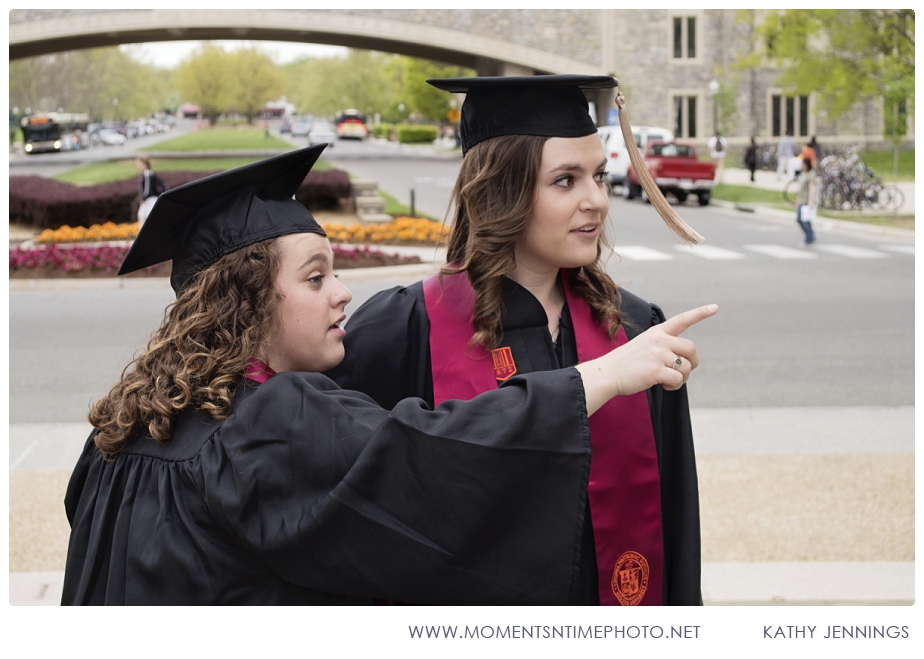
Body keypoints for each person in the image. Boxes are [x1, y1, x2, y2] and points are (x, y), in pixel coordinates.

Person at [61, 145, 717, 605]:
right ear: (249, 300)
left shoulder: (123, 427)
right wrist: (594, 380)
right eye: (315, 277)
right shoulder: (269, 420)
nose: (343, 293)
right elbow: (430, 452)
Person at [326, 75, 711, 606]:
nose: (597, 200)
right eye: (566, 181)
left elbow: (675, 525)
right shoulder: (402, 329)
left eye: (599, 176)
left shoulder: (635, 330)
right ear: (501, 190)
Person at [135, 157, 167, 225]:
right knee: (141, 215)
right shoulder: (145, 173)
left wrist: (143, 198)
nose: (137, 164)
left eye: (138, 162)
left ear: (143, 163)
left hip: (151, 199)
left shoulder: (147, 174)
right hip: (149, 199)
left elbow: (148, 189)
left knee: (148, 217)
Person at [795, 155, 817, 245]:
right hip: (802, 199)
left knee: (805, 221)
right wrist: (798, 199)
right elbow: (801, 189)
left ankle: (809, 238)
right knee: (800, 219)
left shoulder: (811, 174)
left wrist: (811, 201)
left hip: (807, 201)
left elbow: (812, 188)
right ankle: (811, 234)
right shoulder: (803, 174)